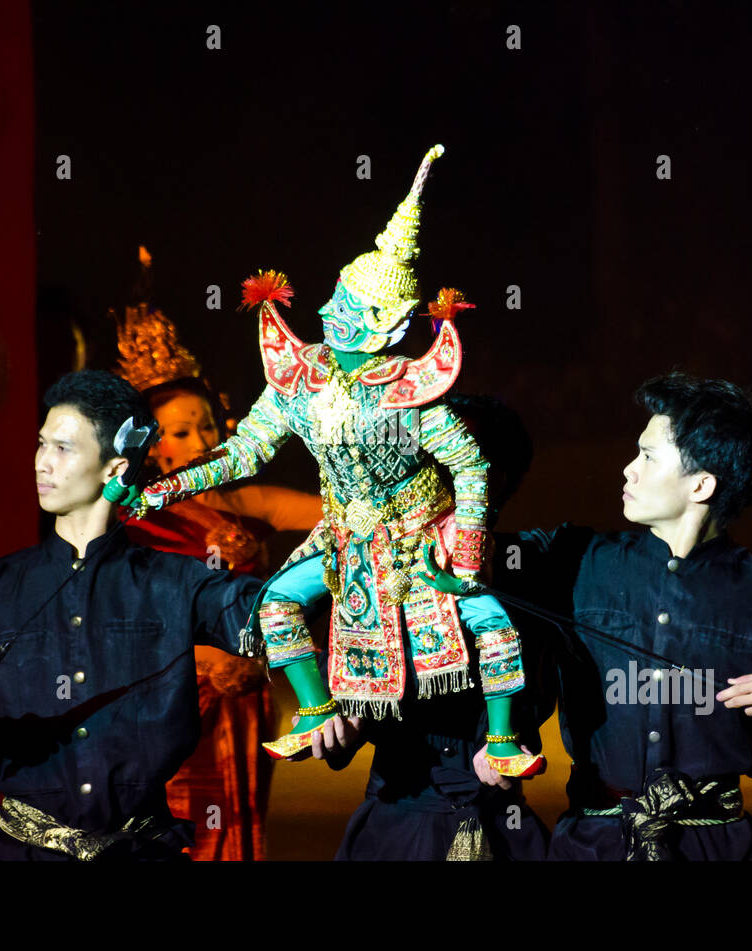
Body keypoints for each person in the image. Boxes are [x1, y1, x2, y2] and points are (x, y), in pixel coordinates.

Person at [136, 145, 543, 779]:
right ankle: (315, 710)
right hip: (345, 533)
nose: (327, 311)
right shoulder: (301, 380)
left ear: (388, 321)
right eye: (333, 297)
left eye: (346, 305)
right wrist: (168, 489)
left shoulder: (412, 390)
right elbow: (246, 451)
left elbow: (470, 467)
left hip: (419, 532)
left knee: (485, 612)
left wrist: (464, 548)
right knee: (274, 604)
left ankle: (502, 738)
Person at [424, 371, 752, 860]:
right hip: (592, 845)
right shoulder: (572, 558)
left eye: (648, 457)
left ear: (701, 484)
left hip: (715, 847)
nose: (628, 470)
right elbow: (462, 559)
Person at [0, 370, 264, 860]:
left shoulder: (178, 584)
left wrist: (350, 540)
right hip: (20, 850)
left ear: (113, 470)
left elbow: (268, 613)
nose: (42, 463)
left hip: (140, 849)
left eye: (63, 449)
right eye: (41, 444)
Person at [113, 274, 322, 860]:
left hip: (246, 704)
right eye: (183, 431)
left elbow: (337, 510)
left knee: (242, 828)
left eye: (208, 424)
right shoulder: (140, 522)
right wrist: (204, 660)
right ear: (155, 446)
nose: (202, 438)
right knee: (178, 834)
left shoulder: (246, 503)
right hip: (174, 701)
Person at [305, 394, 554, 860]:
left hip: (494, 823)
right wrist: (344, 717)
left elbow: (540, 680)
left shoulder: (527, 568)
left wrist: (508, 737)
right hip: (393, 821)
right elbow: (341, 699)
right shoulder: (374, 565)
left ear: (494, 479)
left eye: (454, 457)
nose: (427, 469)